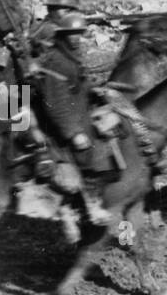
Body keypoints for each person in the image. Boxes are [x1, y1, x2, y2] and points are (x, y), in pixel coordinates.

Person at [27, 12, 114, 225]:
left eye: (79, 33)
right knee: (88, 155)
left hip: (79, 112)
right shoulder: (57, 61)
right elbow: (56, 104)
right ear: (62, 35)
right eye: (71, 34)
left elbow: (77, 84)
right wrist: (74, 133)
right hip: (61, 123)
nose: (75, 38)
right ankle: (89, 207)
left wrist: (94, 89)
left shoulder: (71, 55)